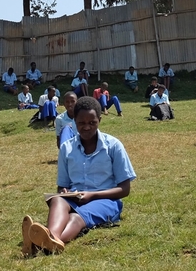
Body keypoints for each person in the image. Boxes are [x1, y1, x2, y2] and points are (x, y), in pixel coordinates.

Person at [21, 96, 137, 257]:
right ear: (74, 121)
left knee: (76, 218)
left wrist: (93, 195)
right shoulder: (66, 148)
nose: (87, 127)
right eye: (81, 123)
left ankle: (43, 242)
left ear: (99, 120)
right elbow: (62, 185)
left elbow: (125, 189)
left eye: (92, 122)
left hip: (106, 200)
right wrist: (63, 192)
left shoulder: (113, 146)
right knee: (57, 200)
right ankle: (49, 239)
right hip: (75, 198)